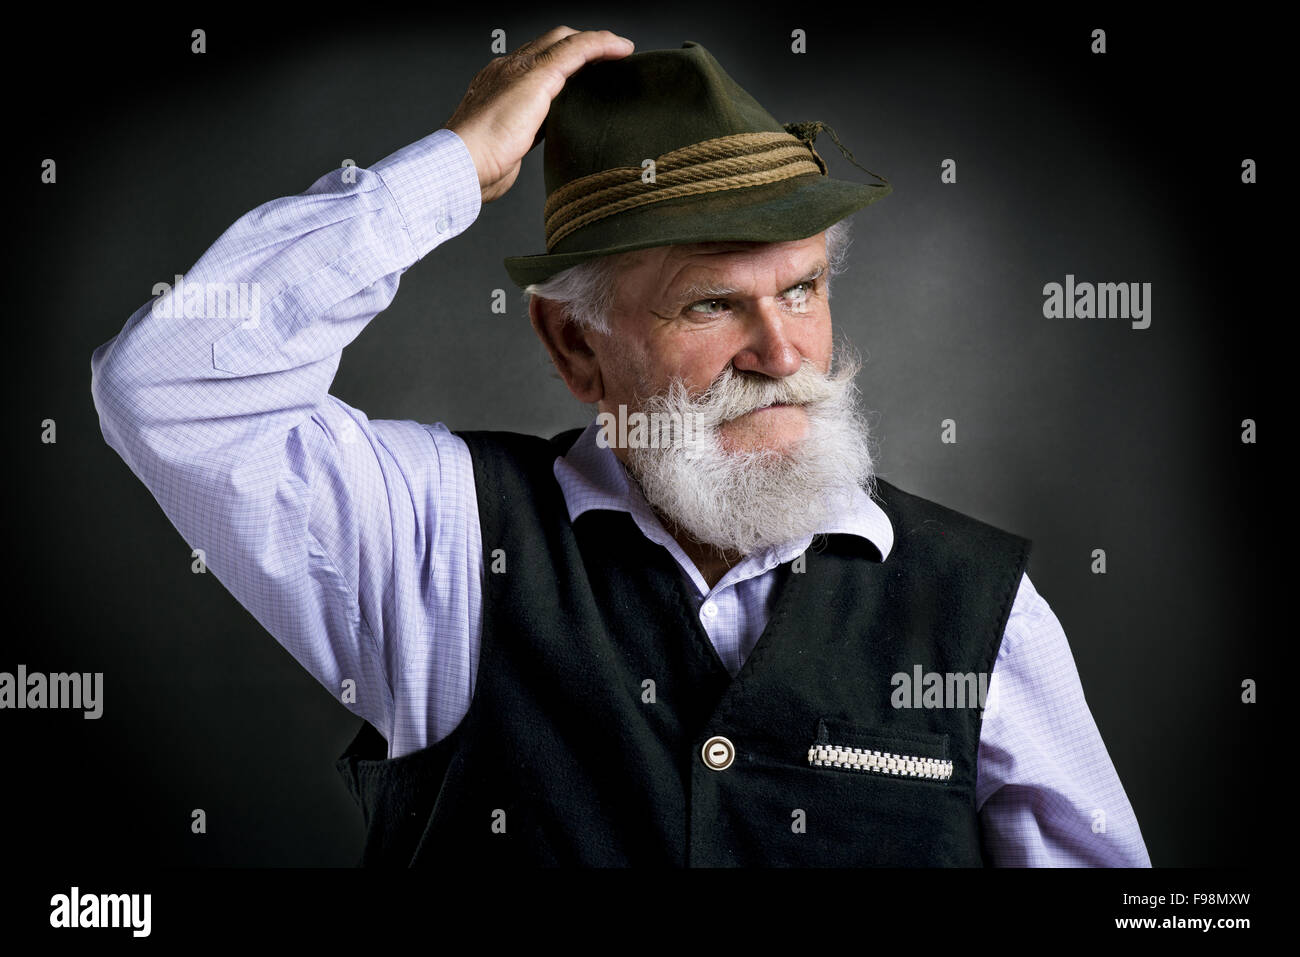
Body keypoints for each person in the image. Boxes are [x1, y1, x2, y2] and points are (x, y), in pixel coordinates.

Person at [90, 27, 1150, 867]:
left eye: (802, 288)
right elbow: (171, 385)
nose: (781, 351)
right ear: (574, 347)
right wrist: (455, 168)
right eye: (708, 306)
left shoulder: (977, 609)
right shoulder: (444, 546)